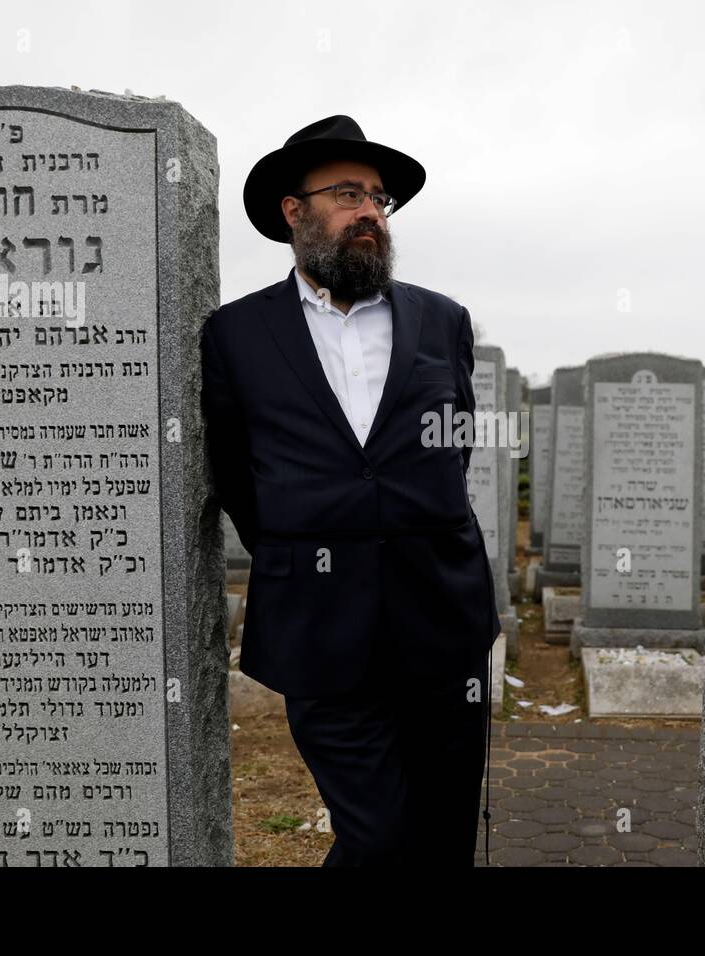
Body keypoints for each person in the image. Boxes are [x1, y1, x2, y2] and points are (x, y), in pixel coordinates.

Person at [200, 114, 502, 865]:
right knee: (379, 836)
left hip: (440, 618)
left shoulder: (442, 320)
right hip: (318, 624)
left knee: (442, 836)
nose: (370, 210)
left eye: (378, 197)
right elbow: (238, 473)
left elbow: (450, 450)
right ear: (293, 211)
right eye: (346, 193)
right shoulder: (236, 334)